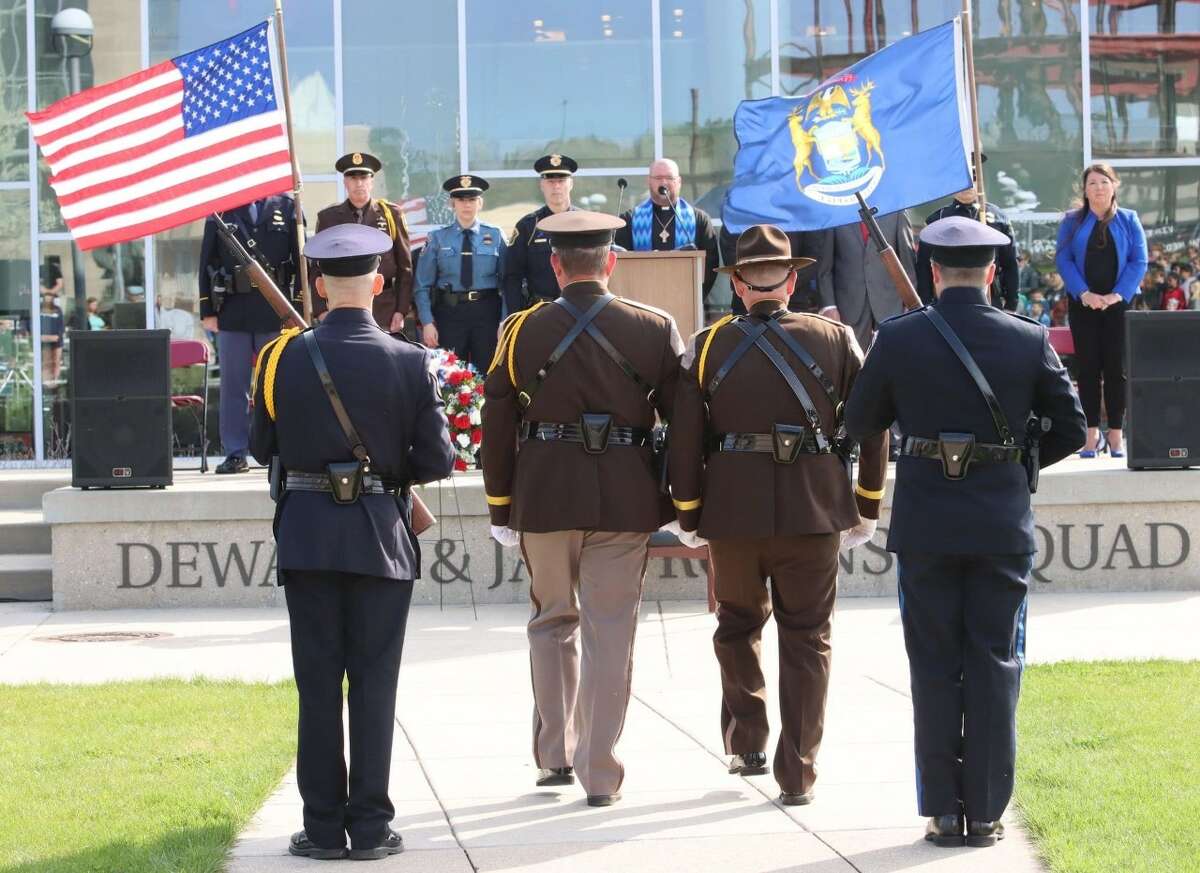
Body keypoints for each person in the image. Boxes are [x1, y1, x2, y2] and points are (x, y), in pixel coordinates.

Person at [844, 216, 1086, 849]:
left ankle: (943, 814)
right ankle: (985, 813)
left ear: (931, 272)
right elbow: (1070, 427)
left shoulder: (898, 340)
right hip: (999, 525)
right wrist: (1014, 466)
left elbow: (860, 418)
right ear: (990, 272)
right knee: (995, 663)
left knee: (932, 665)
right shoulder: (1027, 339)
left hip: (926, 525)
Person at [250, 223, 454, 861]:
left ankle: (320, 828)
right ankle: (369, 828)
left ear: (317, 285)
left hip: (309, 538)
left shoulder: (282, 356)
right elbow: (439, 460)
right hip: (380, 541)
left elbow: (260, 447)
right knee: (373, 686)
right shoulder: (410, 359)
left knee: (317, 686)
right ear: (379, 282)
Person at [668, 224, 888, 806]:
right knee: (808, 637)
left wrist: (688, 510)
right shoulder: (838, 339)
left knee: (737, 625)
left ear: (739, 285)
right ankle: (799, 773)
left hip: (732, 514)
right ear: (791, 280)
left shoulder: (706, 344)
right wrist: (865, 504)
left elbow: (686, 440)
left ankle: (747, 742)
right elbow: (873, 428)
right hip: (814, 510)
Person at [481, 210, 683, 807]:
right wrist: (678, 501)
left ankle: (553, 758)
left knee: (551, 623)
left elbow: (497, 423)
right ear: (611, 262)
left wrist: (500, 505)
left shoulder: (521, 330)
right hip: (624, 496)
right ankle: (599, 771)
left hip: (544, 495)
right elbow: (684, 418)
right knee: (611, 631)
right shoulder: (654, 327)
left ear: (554, 265)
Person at [200, 195, 300, 474]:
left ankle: (284, 451)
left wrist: (300, 307)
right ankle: (235, 452)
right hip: (234, 310)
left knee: (279, 385)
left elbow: (298, 257)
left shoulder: (288, 207)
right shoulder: (221, 207)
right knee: (234, 387)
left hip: (276, 312)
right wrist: (207, 309)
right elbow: (206, 258)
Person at [1054, 162, 1148, 458]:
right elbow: (1063, 260)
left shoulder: (1129, 219)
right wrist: (1084, 294)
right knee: (1089, 368)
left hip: (1119, 306)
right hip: (1084, 306)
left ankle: (1117, 435)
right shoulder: (1072, 221)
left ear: (1114, 185)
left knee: (1116, 368)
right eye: (1092, 183)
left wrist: (1116, 295)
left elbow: (1139, 261)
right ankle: (1091, 435)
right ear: (1084, 189)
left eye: (1103, 182)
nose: (1098, 188)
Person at [311, 152, 414, 333]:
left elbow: (405, 267)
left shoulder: (391, 214)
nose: (359, 183)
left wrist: (401, 310)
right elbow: (316, 269)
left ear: (372, 181)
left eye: (364, 177)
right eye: (353, 178)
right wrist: (321, 311)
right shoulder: (328, 217)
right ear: (345, 182)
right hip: (339, 308)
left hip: (384, 309)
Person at [415, 175, 506, 369]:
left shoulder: (496, 235)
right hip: (450, 314)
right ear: (451, 204)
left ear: (480, 203)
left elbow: (508, 283)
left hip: (487, 313)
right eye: (461, 200)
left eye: (472, 199)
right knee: (450, 375)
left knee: (489, 373)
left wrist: (504, 321)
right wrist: (427, 322)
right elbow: (422, 285)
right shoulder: (438, 238)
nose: (467, 205)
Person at [916, 156, 1020, 312]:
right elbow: (923, 267)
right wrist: (925, 305)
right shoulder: (937, 220)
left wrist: (1011, 304)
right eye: (960, 177)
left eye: (973, 176)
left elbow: (1010, 264)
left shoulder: (998, 219)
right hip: (944, 305)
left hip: (990, 303)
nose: (967, 184)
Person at [613, 158, 720, 303]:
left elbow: (711, 264)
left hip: (685, 301)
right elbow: (619, 265)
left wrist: (695, 297)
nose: (663, 183)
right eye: (658, 178)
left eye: (669, 178)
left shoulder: (698, 219)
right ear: (649, 181)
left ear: (679, 182)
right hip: (640, 302)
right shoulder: (629, 220)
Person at [816, 209, 917, 351]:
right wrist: (829, 306)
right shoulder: (836, 212)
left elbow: (908, 263)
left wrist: (910, 304)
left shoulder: (895, 211)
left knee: (893, 360)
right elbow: (824, 267)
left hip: (891, 307)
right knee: (852, 366)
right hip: (848, 309)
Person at [501, 154, 578, 313]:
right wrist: (514, 317)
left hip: (579, 310)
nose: (556, 186)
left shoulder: (585, 223)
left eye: (561, 181)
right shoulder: (527, 227)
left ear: (571, 184)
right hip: (540, 312)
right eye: (550, 181)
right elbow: (513, 277)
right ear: (541, 185)